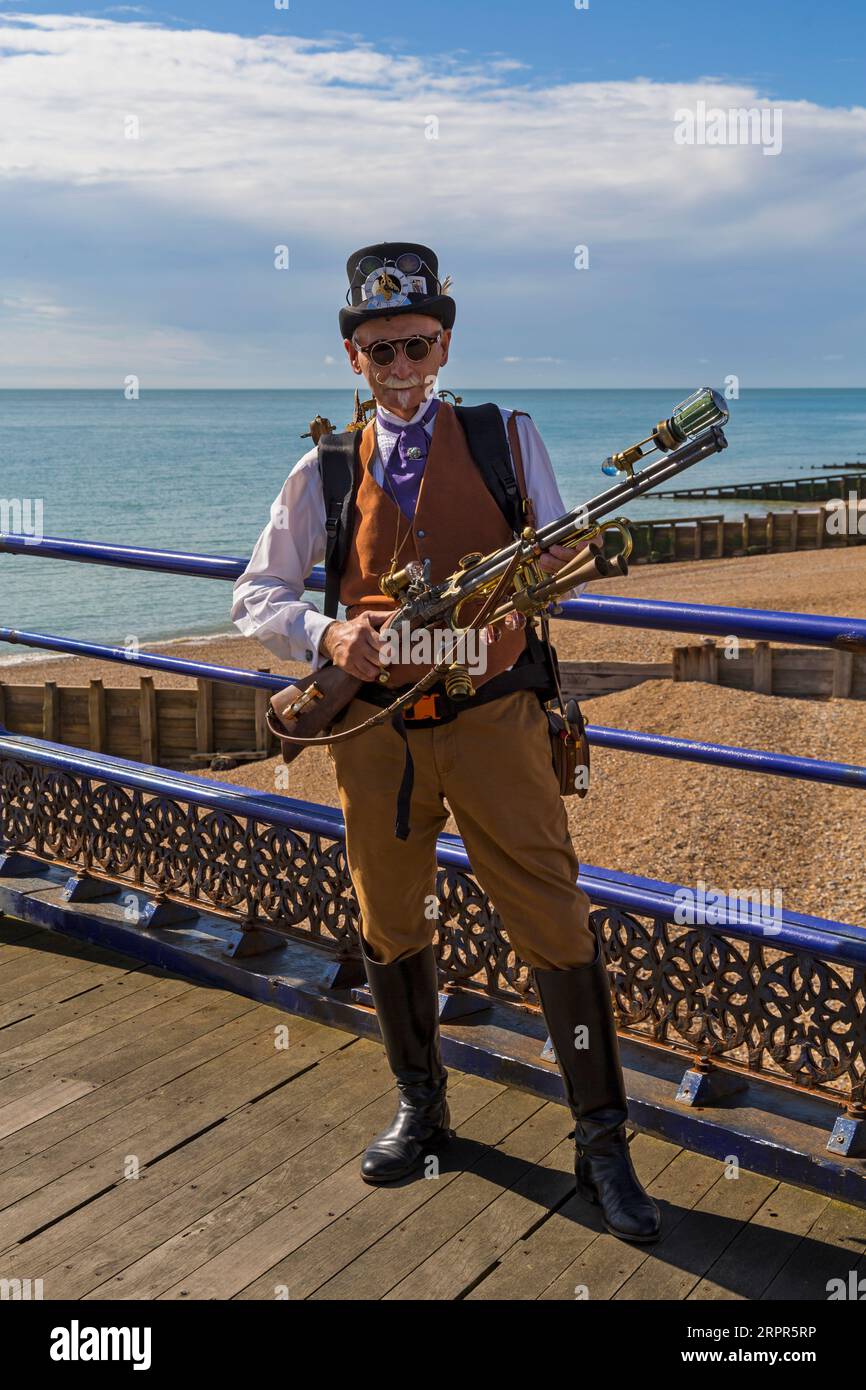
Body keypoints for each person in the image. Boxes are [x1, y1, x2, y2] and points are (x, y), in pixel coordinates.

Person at [232, 241, 660, 1243]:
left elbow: (560, 553)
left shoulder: (506, 435)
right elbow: (258, 594)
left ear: (444, 342)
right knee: (389, 921)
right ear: (353, 358)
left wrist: (557, 565)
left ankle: (602, 1143)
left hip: (495, 722)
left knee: (554, 922)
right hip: (377, 736)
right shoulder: (322, 468)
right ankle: (421, 1109)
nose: (400, 365)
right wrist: (326, 634)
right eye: (379, 349)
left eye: (416, 344)